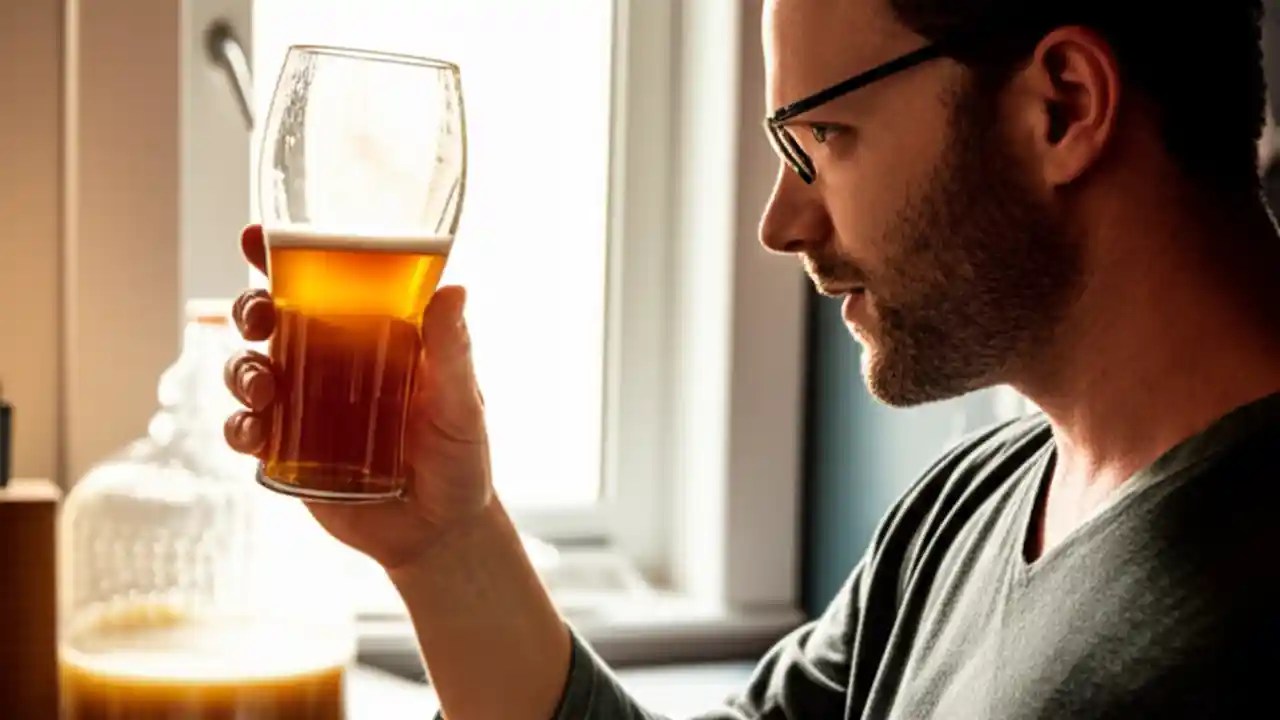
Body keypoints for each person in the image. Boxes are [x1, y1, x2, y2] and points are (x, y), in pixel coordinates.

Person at [225, 0, 1280, 717]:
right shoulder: (969, 510)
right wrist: (444, 546)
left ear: (1061, 106)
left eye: (819, 140)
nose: (781, 223)